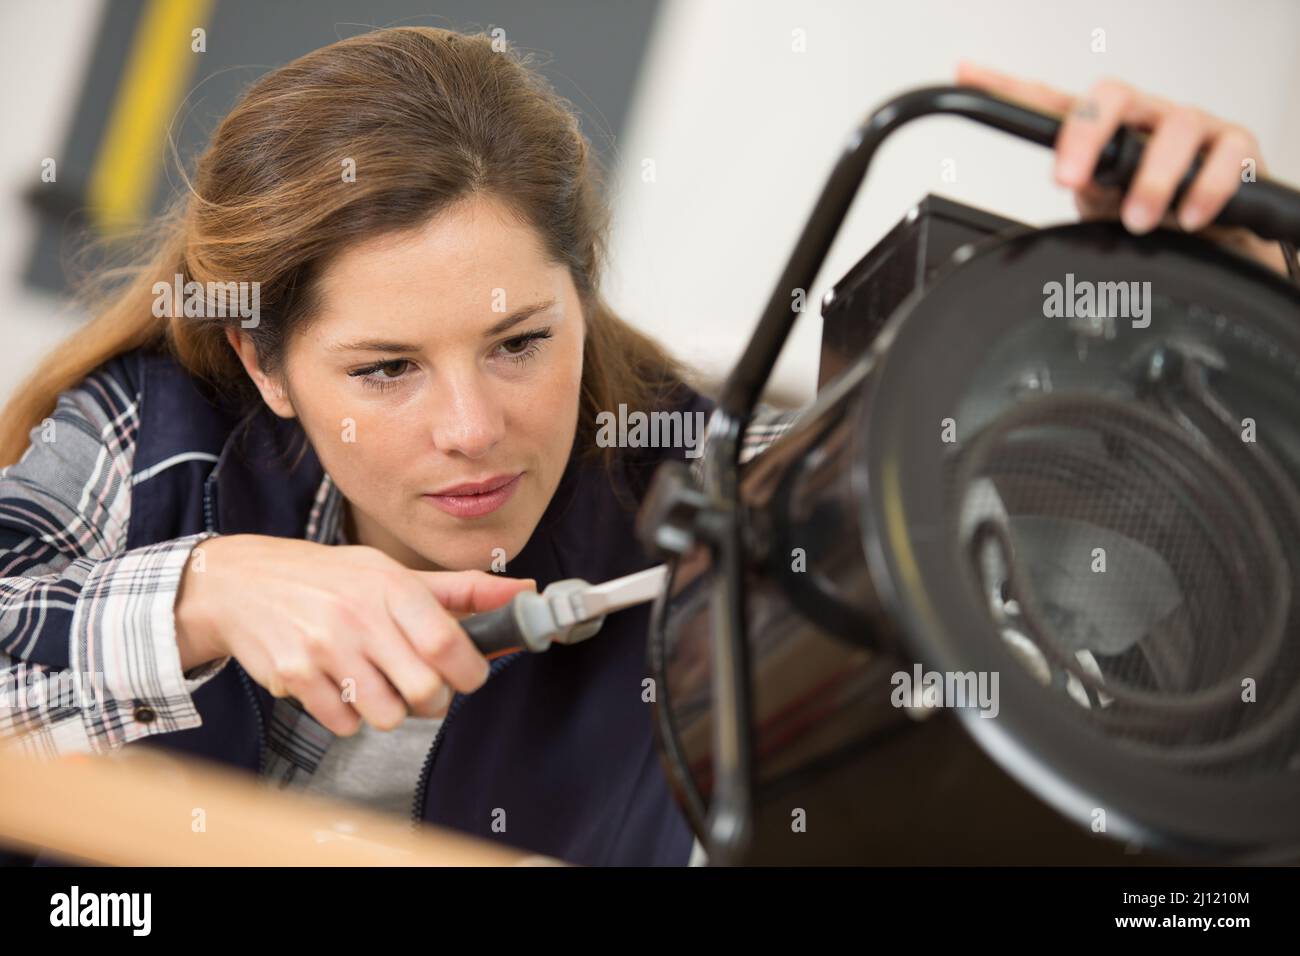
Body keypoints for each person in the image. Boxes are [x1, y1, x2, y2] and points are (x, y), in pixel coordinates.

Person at [0, 29, 1294, 867]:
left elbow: (1112, 626)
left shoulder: (728, 496)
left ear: (584, 294)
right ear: (265, 366)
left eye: (520, 341)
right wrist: (205, 593)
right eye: (384, 371)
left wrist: (1222, 311)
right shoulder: (144, 440)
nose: (472, 431)